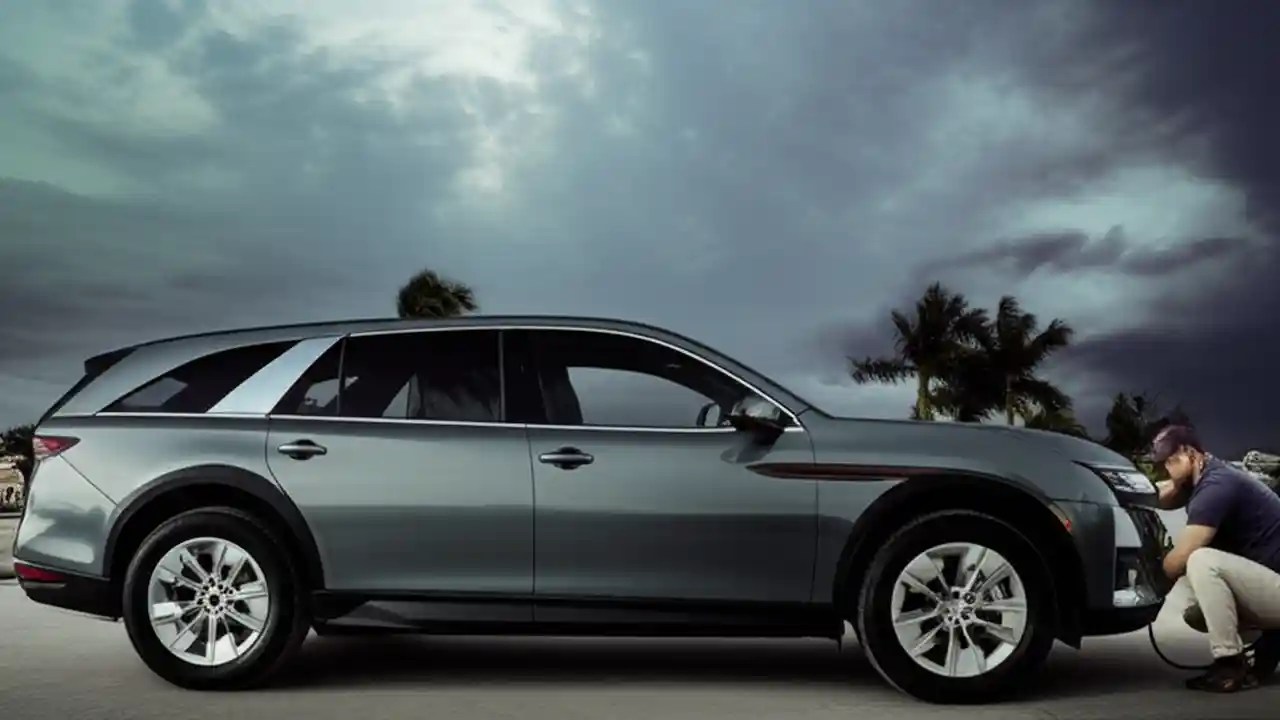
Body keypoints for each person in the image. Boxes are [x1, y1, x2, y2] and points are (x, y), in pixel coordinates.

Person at [1151, 424, 1280, 692]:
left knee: (1200, 559)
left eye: (1172, 461)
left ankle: (1229, 665)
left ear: (1192, 453)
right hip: (1270, 584)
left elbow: (1179, 560)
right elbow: (1161, 497)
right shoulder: (1206, 475)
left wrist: (1152, 577)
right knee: (1197, 615)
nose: (1168, 469)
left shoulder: (1217, 485)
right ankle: (1269, 643)